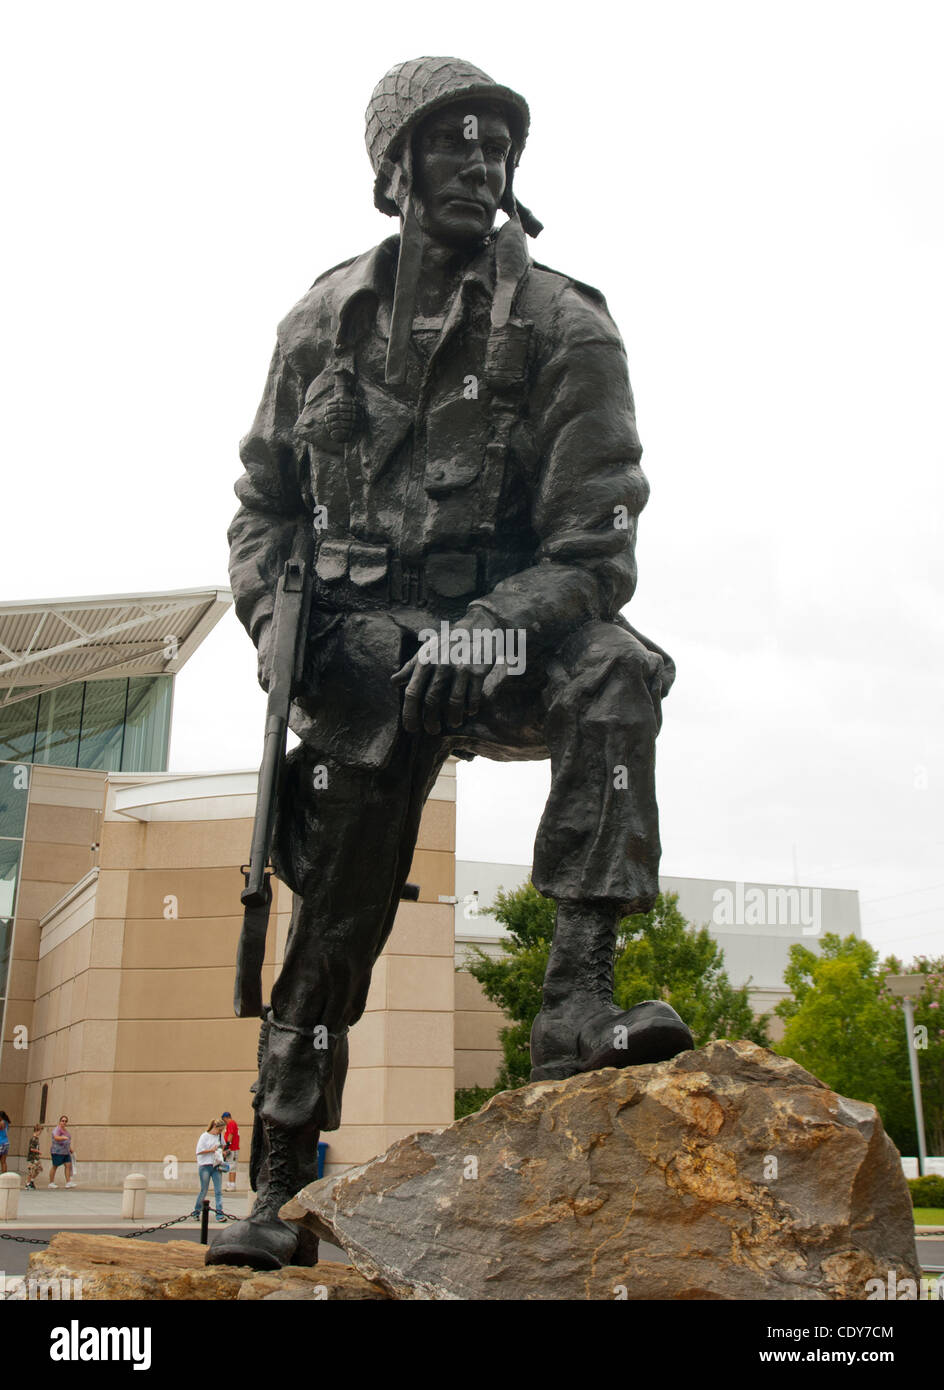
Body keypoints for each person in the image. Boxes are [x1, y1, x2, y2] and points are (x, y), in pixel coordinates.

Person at [215, 56, 692, 1270]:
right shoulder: (320, 322)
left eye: (495, 145)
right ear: (395, 166)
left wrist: (491, 629)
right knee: (332, 917)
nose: (479, 163)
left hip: (502, 640)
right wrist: (288, 635)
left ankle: (578, 1001)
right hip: (365, 654)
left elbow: (597, 548)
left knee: (616, 675)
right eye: (453, 142)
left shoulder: (564, 326)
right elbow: (262, 509)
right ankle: (275, 1185)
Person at [192, 1120, 227, 1222]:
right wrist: (211, 1150)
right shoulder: (204, 1136)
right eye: (219, 1130)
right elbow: (199, 1151)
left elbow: (222, 1146)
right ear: (214, 1127)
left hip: (216, 1165)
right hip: (205, 1165)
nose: (220, 1132)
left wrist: (222, 1152)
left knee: (218, 1191)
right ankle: (196, 1211)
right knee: (204, 1190)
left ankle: (219, 1214)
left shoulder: (220, 1136)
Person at [48, 1115, 76, 1188]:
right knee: (55, 1166)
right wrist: (62, 1137)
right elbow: (56, 1137)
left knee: (68, 1165)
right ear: (60, 1121)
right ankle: (51, 1182)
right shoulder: (57, 1129)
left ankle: (68, 1182)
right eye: (63, 1121)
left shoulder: (66, 1131)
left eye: (65, 1121)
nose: (64, 1122)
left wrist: (70, 1148)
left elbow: (68, 1141)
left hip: (66, 1152)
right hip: (57, 1151)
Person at [221, 1112, 239, 1191]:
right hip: (231, 1148)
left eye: (223, 1119)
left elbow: (230, 1134)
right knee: (230, 1166)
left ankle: (232, 1185)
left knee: (232, 1167)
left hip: (232, 1148)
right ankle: (229, 1184)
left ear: (226, 1118)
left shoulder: (231, 1123)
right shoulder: (230, 1124)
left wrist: (227, 1145)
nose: (223, 1121)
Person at [25, 1123, 43, 1189]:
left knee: (38, 1169)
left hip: (36, 1157)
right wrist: (38, 1151)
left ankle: (32, 1181)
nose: (40, 1133)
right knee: (31, 1171)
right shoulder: (33, 1139)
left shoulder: (37, 1139)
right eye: (40, 1131)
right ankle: (27, 1184)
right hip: (32, 1158)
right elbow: (31, 1148)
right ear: (37, 1130)